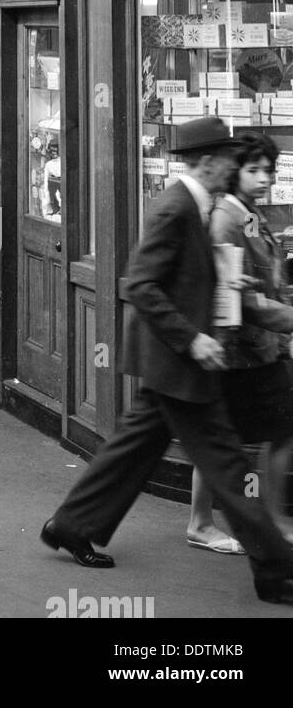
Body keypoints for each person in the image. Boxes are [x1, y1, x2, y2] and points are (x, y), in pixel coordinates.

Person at [41, 116, 293, 603]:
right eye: (227, 160)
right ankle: (276, 569)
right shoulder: (177, 208)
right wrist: (193, 340)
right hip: (178, 360)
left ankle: (70, 524)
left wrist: (229, 285)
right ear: (205, 162)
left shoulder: (197, 206)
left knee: (132, 448)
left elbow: (183, 279)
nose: (233, 167)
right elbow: (142, 284)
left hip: (169, 361)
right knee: (224, 465)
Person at [187, 131, 293, 552]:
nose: (264, 178)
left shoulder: (248, 213)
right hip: (239, 351)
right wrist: (287, 319)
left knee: (248, 436)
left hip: (257, 347)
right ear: (235, 173)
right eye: (254, 170)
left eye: (269, 170)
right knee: (231, 439)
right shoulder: (227, 218)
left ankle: (254, 520)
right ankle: (242, 523)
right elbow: (238, 298)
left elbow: (264, 277)